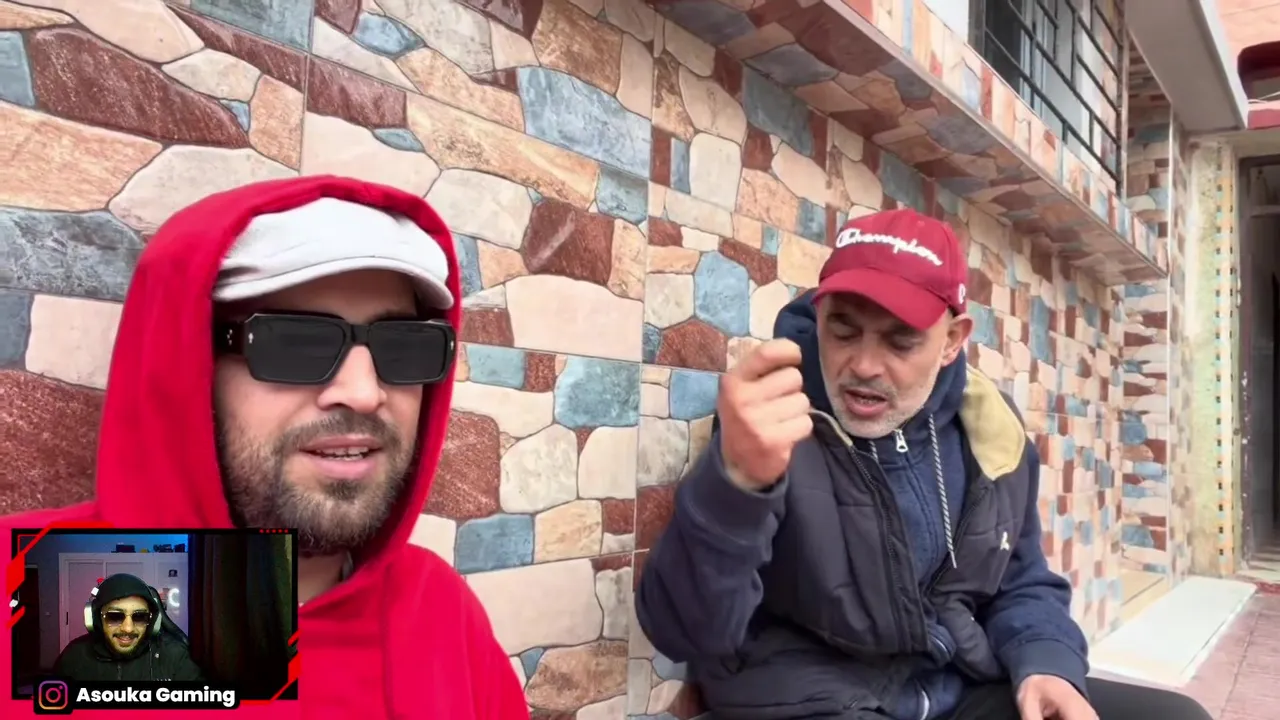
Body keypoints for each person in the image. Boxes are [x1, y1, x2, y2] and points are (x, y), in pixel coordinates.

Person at [636, 208, 1212, 720]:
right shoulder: (771, 421)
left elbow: (1021, 581)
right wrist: (737, 482)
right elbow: (685, 632)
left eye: (900, 341)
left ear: (953, 340)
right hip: (812, 699)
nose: (865, 365)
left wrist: (1046, 662)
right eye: (843, 330)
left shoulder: (987, 429)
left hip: (952, 692)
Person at [0, 176, 528, 719]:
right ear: (187, 365)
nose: (364, 393)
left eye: (406, 347)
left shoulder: (439, 611)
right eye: (294, 342)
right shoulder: (23, 589)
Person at [53, 573, 203, 683]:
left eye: (140, 617)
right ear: (95, 618)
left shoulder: (174, 656)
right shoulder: (74, 657)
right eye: (115, 616)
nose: (128, 628)